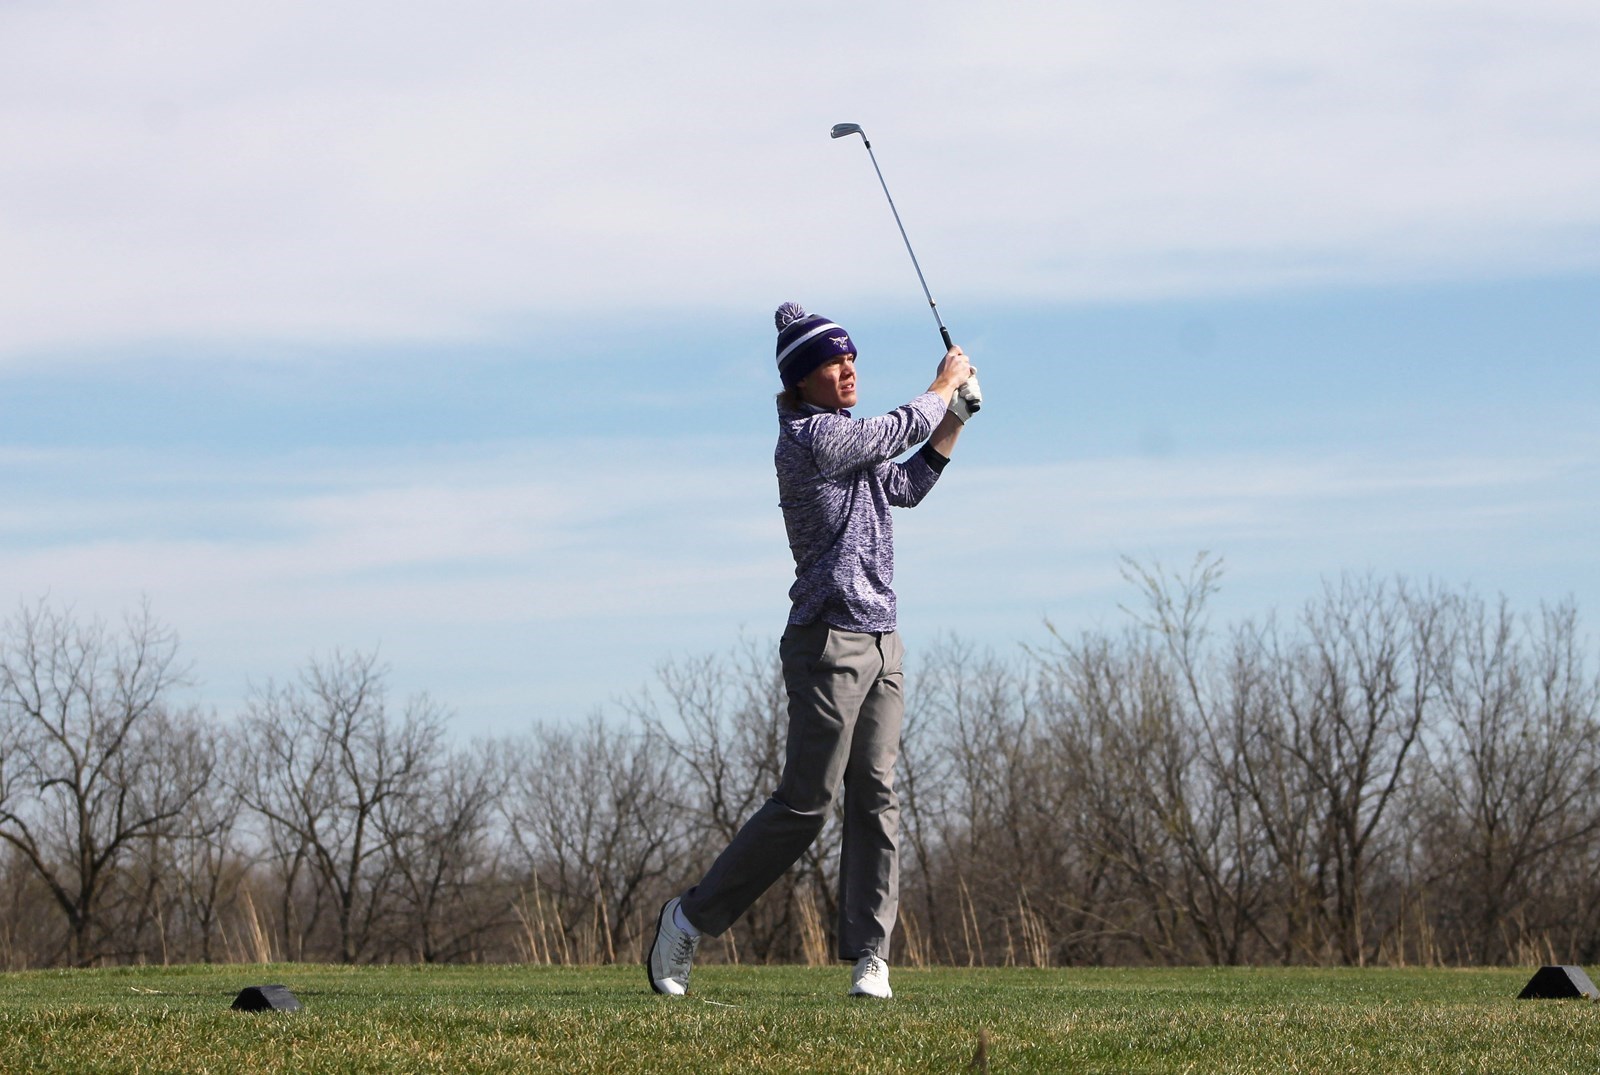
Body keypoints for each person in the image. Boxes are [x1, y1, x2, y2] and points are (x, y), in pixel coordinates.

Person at [646, 301, 978, 999]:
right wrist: (943, 387)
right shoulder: (809, 441)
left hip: (884, 639)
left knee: (877, 796)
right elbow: (896, 430)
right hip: (827, 642)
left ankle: (871, 955)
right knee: (806, 805)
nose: (848, 366)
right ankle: (689, 917)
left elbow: (907, 484)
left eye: (852, 356)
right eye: (834, 360)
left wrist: (954, 420)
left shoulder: (851, 441)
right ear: (802, 380)